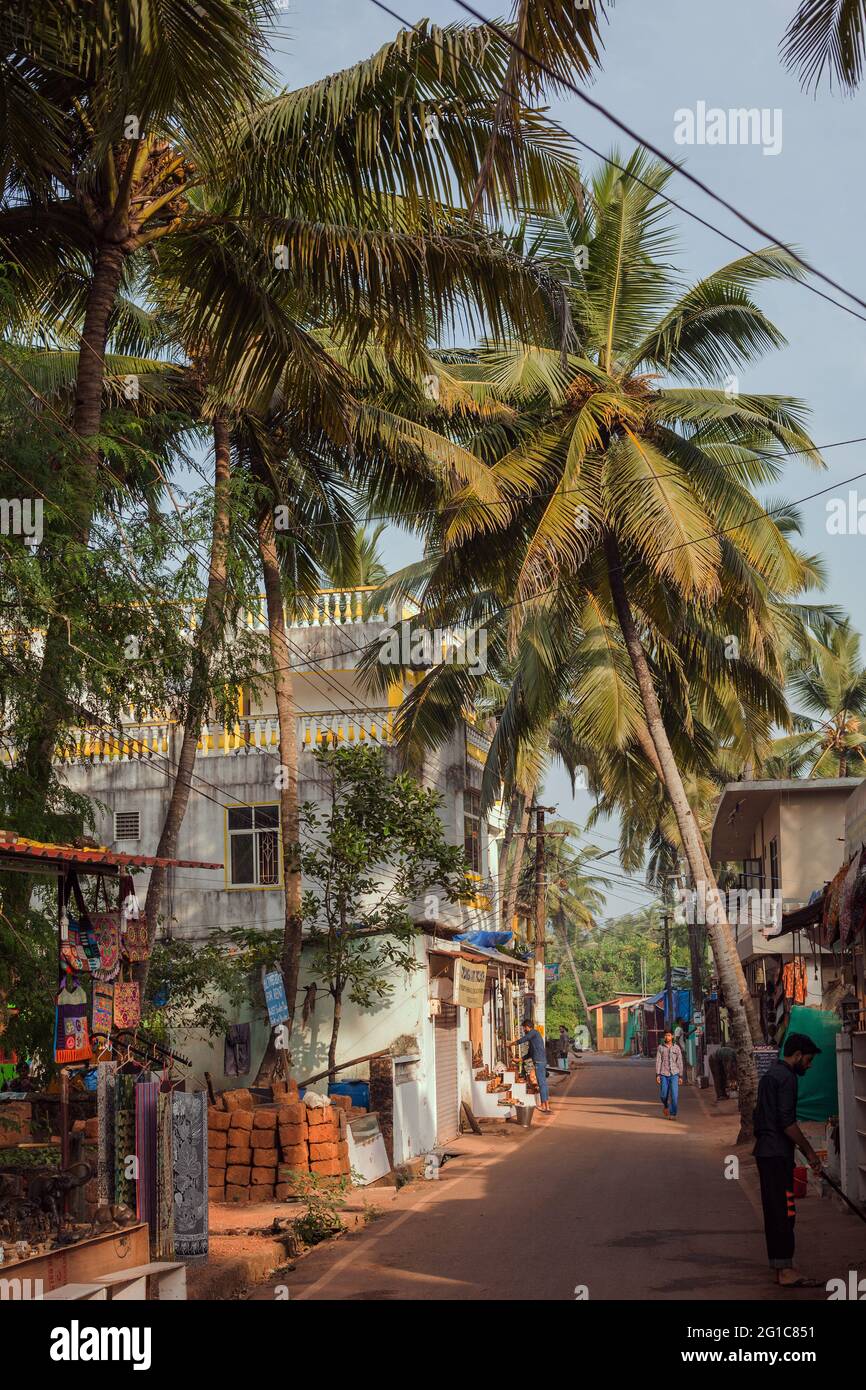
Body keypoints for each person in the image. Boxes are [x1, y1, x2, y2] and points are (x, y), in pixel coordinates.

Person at [753, 1032, 823, 1288]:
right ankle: (785, 1270)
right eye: (808, 1059)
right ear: (796, 1056)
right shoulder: (788, 1078)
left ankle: (781, 1265)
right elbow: (787, 1123)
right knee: (784, 1211)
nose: (810, 1064)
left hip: (766, 1152)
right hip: (776, 1155)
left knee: (776, 1211)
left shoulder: (770, 1074)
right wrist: (811, 1153)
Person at [511, 1021, 550, 1113]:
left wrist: (511, 1044)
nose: (524, 1030)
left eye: (524, 1028)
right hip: (540, 1061)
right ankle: (546, 1106)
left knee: (541, 1084)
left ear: (528, 1027)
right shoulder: (533, 1038)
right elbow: (529, 1054)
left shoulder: (533, 1033)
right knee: (543, 1084)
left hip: (539, 1061)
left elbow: (523, 1039)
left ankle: (545, 1106)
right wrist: (520, 1059)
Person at [655, 1029, 684, 1119]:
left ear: (672, 1036)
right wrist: (657, 1075)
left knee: (674, 1095)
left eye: (668, 1035)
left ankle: (673, 1114)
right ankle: (666, 1106)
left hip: (674, 1074)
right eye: (665, 1035)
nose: (666, 1037)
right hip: (664, 1074)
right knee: (663, 1095)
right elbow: (658, 1061)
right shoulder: (660, 1047)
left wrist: (680, 1076)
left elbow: (679, 1062)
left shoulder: (677, 1048)